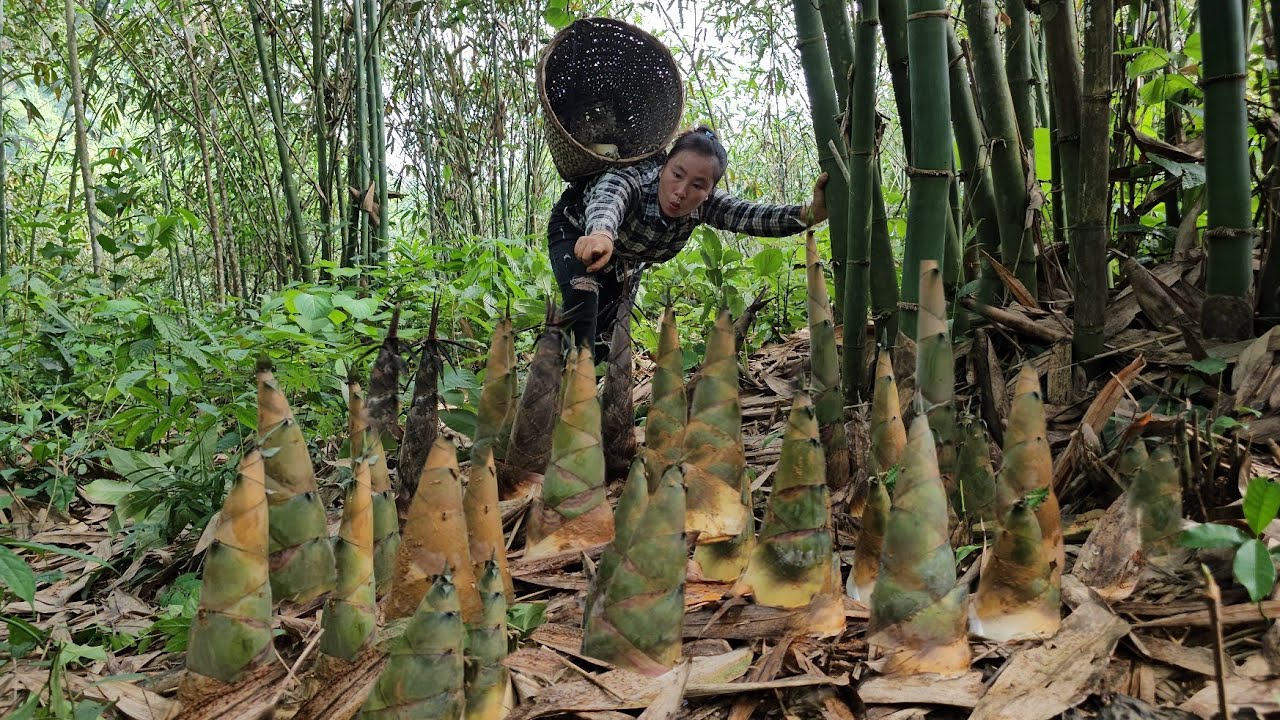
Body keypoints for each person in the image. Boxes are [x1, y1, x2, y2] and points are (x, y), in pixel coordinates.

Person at [546, 124, 829, 358]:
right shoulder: (636, 176)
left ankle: (584, 396)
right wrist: (600, 234)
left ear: (709, 191)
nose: (681, 192)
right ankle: (560, 393)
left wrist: (808, 214)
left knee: (610, 337)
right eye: (677, 175)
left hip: (625, 258)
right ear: (664, 167)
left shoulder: (707, 205)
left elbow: (751, 215)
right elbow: (610, 197)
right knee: (583, 313)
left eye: (697, 185)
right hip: (577, 229)